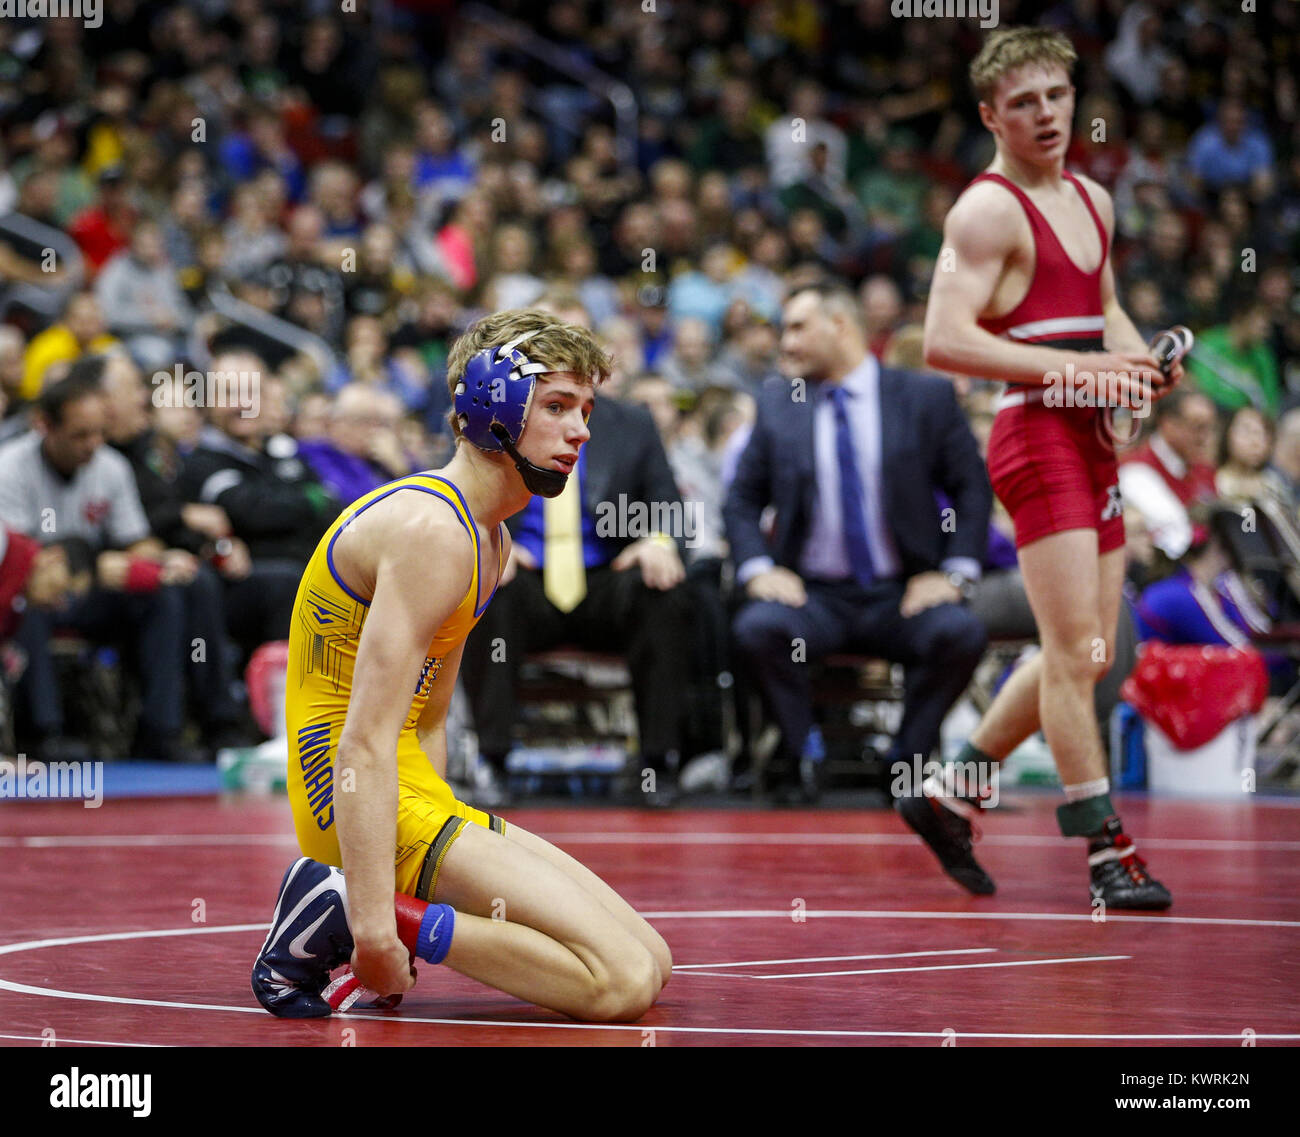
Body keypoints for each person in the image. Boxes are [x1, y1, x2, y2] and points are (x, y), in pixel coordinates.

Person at [251, 309, 670, 1021]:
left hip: (405, 785)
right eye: (559, 406)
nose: (582, 431)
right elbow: (363, 740)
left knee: (652, 958)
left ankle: (370, 901)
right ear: (493, 406)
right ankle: (338, 905)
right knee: (620, 982)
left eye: (587, 409)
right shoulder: (431, 532)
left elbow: (432, 713)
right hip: (345, 785)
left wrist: (437, 858)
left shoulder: (489, 539)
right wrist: (380, 921)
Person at [913, 27, 1182, 909]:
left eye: (1057, 96)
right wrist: (1080, 373)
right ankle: (1107, 851)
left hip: (1093, 436)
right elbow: (944, 340)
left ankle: (951, 785)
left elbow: (1104, 310)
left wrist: (1136, 372)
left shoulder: (1094, 202)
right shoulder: (983, 212)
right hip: (1036, 438)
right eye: (1022, 103)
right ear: (991, 115)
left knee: (1090, 652)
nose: (1045, 115)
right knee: (1073, 652)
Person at [724, 281, 991, 803]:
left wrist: (953, 572)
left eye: (798, 328)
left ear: (840, 326)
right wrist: (759, 568)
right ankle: (804, 756)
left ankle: (905, 764)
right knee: (757, 628)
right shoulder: (779, 402)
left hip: (903, 594)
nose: (786, 344)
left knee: (960, 633)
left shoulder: (923, 396)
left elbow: (972, 489)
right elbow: (741, 502)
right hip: (814, 597)